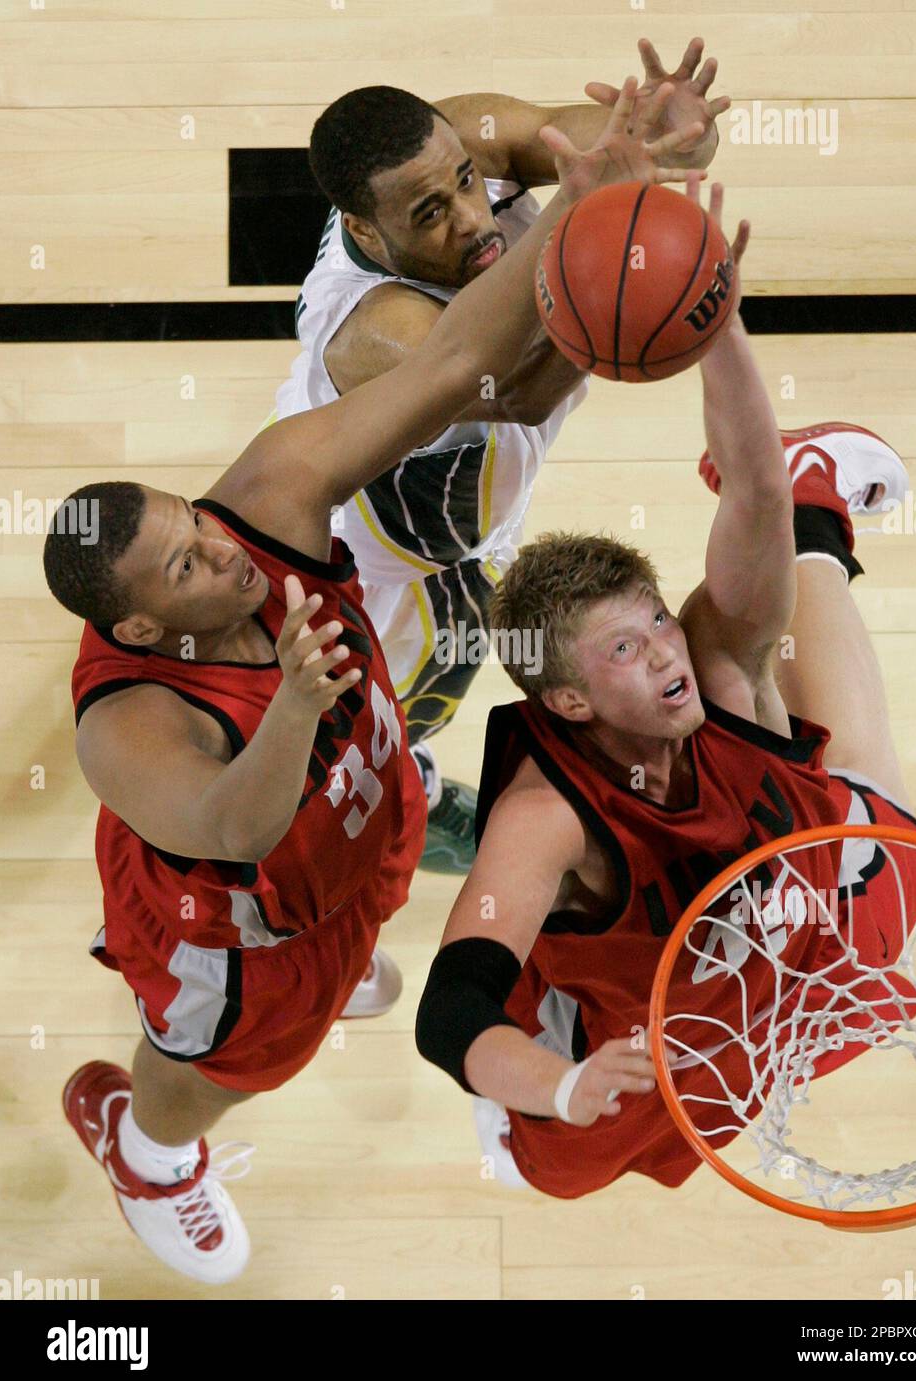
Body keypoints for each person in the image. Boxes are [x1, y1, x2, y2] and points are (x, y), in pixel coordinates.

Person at [42, 83, 700, 1283]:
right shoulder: (127, 721)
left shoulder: (270, 496)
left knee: (391, 820)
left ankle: (340, 946)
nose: (225, 545)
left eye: (199, 518)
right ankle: (144, 1145)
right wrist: (297, 704)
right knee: (227, 1067)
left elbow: (458, 361)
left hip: (355, 824)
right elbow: (233, 824)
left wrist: (602, 184)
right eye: (190, 563)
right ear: (143, 621)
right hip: (241, 928)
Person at [416, 179, 916, 1199]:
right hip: (642, 1041)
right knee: (557, 1168)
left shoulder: (712, 673)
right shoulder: (544, 819)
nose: (664, 652)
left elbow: (749, 490)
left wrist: (719, 319)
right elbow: (453, 1011)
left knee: (878, 804)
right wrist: (558, 1089)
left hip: (795, 927)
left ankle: (821, 491)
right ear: (566, 700)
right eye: (624, 650)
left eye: (655, 618)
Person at [272, 38, 729, 873]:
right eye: (431, 215)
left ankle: (397, 771)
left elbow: (608, 139)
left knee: (439, 680)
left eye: (463, 182)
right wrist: (591, 219)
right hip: (388, 554)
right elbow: (519, 386)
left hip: (476, 506)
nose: (473, 216)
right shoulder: (371, 327)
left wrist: (672, 131)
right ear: (362, 228)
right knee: (375, 713)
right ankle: (346, 837)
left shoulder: (454, 144)